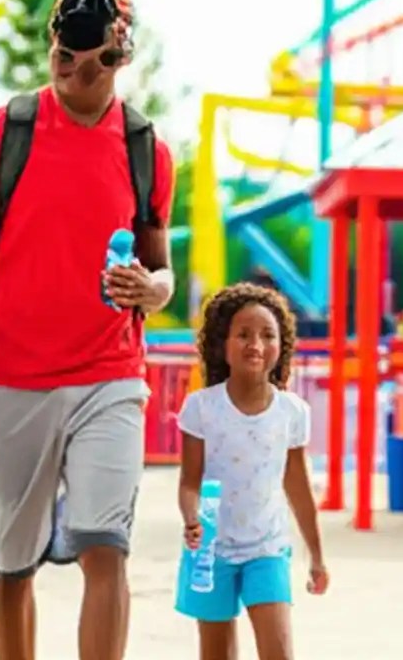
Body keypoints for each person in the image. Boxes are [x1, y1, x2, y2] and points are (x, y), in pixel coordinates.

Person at [0, 0, 175, 660]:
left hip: (110, 375)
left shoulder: (145, 149)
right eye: (58, 51)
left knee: (106, 547)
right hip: (14, 377)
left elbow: (160, 267)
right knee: (13, 564)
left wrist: (153, 291)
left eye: (82, 55)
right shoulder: (3, 135)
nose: (65, 66)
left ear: (118, 54)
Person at [175, 283, 330, 660]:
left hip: (267, 549)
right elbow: (189, 483)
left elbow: (298, 487)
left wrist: (317, 556)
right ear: (222, 344)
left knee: (278, 650)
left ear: (282, 345)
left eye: (267, 335)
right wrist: (192, 516)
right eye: (243, 334)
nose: (255, 344)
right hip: (211, 553)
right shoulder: (201, 408)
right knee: (216, 652)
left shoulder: (292, 412)